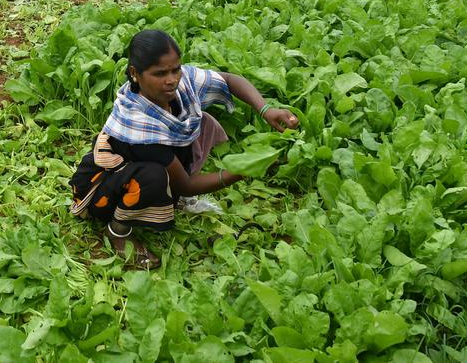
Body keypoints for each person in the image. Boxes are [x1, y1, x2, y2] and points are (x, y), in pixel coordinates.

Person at [69, 30, 299, 269]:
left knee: (198, 122)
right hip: (102, 193)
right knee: (154, 177)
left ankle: (165, 200)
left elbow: (229, 80)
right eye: (159, 73)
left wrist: (265, 109)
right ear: (135, 74)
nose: (171, 79)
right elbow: (186, 185)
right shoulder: (139, 123)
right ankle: (118, 232)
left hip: (132, 173)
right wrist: (244, 171)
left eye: (175, 69)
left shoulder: (180, 85)